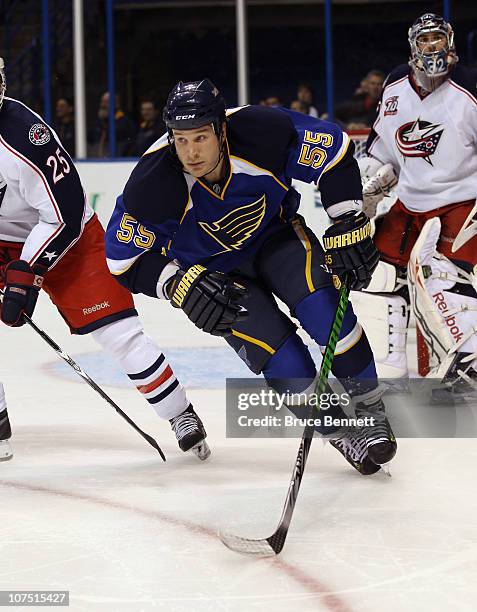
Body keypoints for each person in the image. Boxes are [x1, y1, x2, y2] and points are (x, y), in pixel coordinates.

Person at [104, 78, 398, 475]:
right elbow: (123, 261)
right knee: (283, 357)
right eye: (181, 139)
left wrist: (346, 216)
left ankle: (369, 408)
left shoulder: (261, 133)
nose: (190, 152)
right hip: (218, 279)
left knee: (329, 318)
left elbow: (334, 151)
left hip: (278, 242)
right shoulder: (153, 183)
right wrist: (178, 285)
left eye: (200, 138)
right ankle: (338, 430)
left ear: (222, 131)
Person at [0, 57, 210, 462]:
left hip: (67, 236)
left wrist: (27, 273)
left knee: (119, 333)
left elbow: (63, 213)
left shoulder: (24, 136)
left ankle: (178, 413)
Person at [357, 13, 477, 389]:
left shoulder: (470, 88)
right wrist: (369, 183)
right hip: (411, 207)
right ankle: (390, 372)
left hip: (463, 205)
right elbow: (384, 150)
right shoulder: (395, 86)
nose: (432, 48)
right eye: (425, 41)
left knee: (439, 272)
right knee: (376, 273)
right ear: (413, 48)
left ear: (451, 43)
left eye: (438, 40)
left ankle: (469, 357)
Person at [89, 92, 136, 157]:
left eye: (106, 102)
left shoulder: (125, 123)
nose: (103, 105)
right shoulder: (98, 123)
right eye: (102, 102)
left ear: (116, 104)